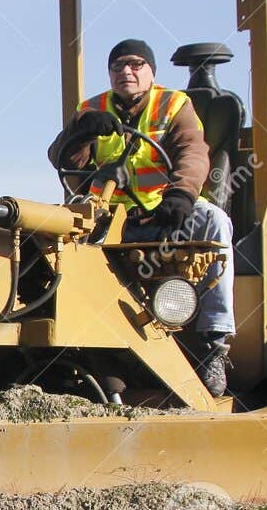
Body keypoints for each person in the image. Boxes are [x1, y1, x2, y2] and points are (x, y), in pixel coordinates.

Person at [47, 38, 235, 396]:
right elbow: (62, 158)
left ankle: (214, 343)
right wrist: (82, 131)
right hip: (110, 217)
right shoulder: (91, 109)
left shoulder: (174, 105)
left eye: (135, 64)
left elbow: (192, 153)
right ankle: (84, 351)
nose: (126, 72)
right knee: (57, 241)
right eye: (117, 66)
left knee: (213, 220)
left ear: (151, 71)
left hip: (166, 215)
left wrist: (180, 195)